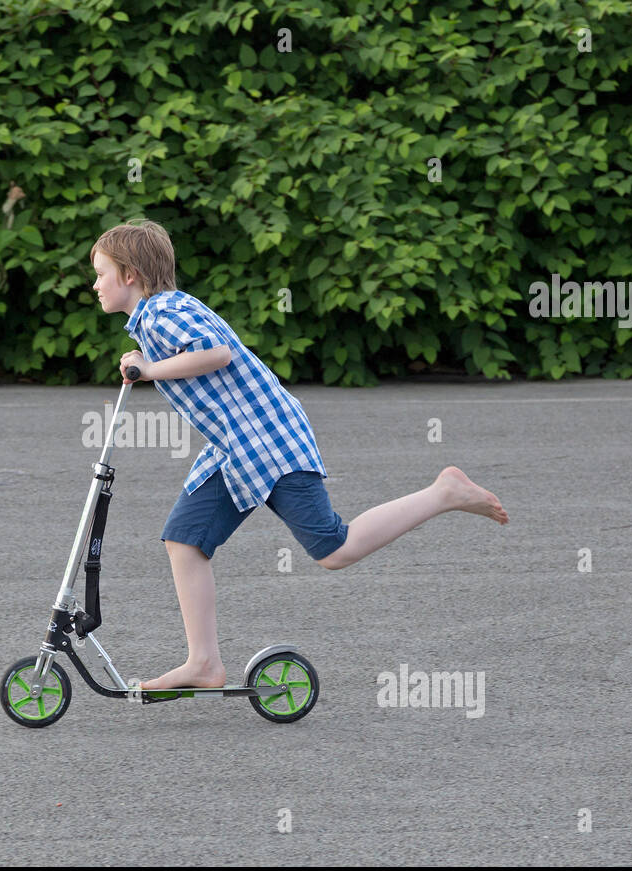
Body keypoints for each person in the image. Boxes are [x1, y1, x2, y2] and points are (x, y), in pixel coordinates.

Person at [89, 219, 509, 691]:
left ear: (129, 274)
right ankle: (204, 664)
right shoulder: (156, 319)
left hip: (267, 440)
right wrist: (145, 360)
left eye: (101, 273)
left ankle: (444, 493)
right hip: (234, 447)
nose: (95, 283)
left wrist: (150, 368)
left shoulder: (164, 310)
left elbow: (217, 352)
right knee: (184, 539)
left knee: (333, 549)